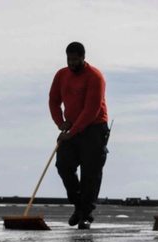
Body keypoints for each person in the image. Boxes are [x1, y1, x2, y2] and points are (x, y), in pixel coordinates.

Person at [49, 41, 109, 230]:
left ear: (83, 58)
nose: (72, 63)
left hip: (94, 128)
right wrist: (61, 123)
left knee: (90, 173)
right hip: (72, 127)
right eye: (69, 59)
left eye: (75, 59)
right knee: (63, 166)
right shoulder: (61, 75)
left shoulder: (95, 76)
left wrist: (72, 132)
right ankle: (78, 206)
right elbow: (53, 100)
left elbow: (91, 110)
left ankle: (85, 215)